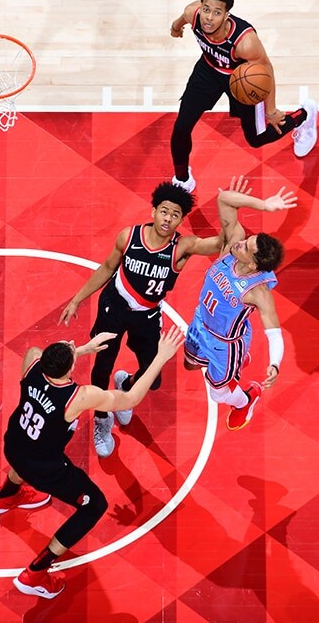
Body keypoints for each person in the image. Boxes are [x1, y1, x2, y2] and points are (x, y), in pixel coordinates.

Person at [0, 326, 186, 599]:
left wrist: (80, 350)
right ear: (69, 369)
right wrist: (160, 357)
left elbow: (47, 355)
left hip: (14, 445)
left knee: (28, 455)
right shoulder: (79, 397)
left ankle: (3, 498)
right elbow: (131, 398)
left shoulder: (32, 361)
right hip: (44, 467)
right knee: (94, 505)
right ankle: (35, 574)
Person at [59, 182, 221, 457]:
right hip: (114, 306)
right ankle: (102, 419)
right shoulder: (129, 237)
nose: (168, 219)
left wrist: (230, 206)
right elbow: (109, 267)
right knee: (101, 366)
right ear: (154, 211)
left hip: (147, 316)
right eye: (164, 211)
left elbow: (221, 243)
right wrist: (77, 298)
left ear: (181, 219)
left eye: (175, 214)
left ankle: (126, 386)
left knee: (153, 379)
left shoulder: (182, 247)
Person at [169, 0, 318, 192]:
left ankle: (305, 116)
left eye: (217, 12)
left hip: (241, 79)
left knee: (256, 139)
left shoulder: (245, 42)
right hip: (208, 71)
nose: (209, 17)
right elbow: (181, 20)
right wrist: (176, 28)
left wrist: (271, 110)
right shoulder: (192, 14)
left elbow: (266, 69)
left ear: (226, 15)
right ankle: (182, 178)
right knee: (181, 127)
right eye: (206, 9)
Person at [184, 176, 296, 430]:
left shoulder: (258, 292)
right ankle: (239, 364)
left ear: (254, 264)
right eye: (248, 239)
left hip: (225, 344)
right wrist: (265, 205)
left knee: (217, 393)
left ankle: (246, 399)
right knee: (190, 364)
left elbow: (275, 333)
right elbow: (224, 199)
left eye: (247, 247)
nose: (240, 242)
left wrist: (275, 364)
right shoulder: (232, 245)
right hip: (201, 321)